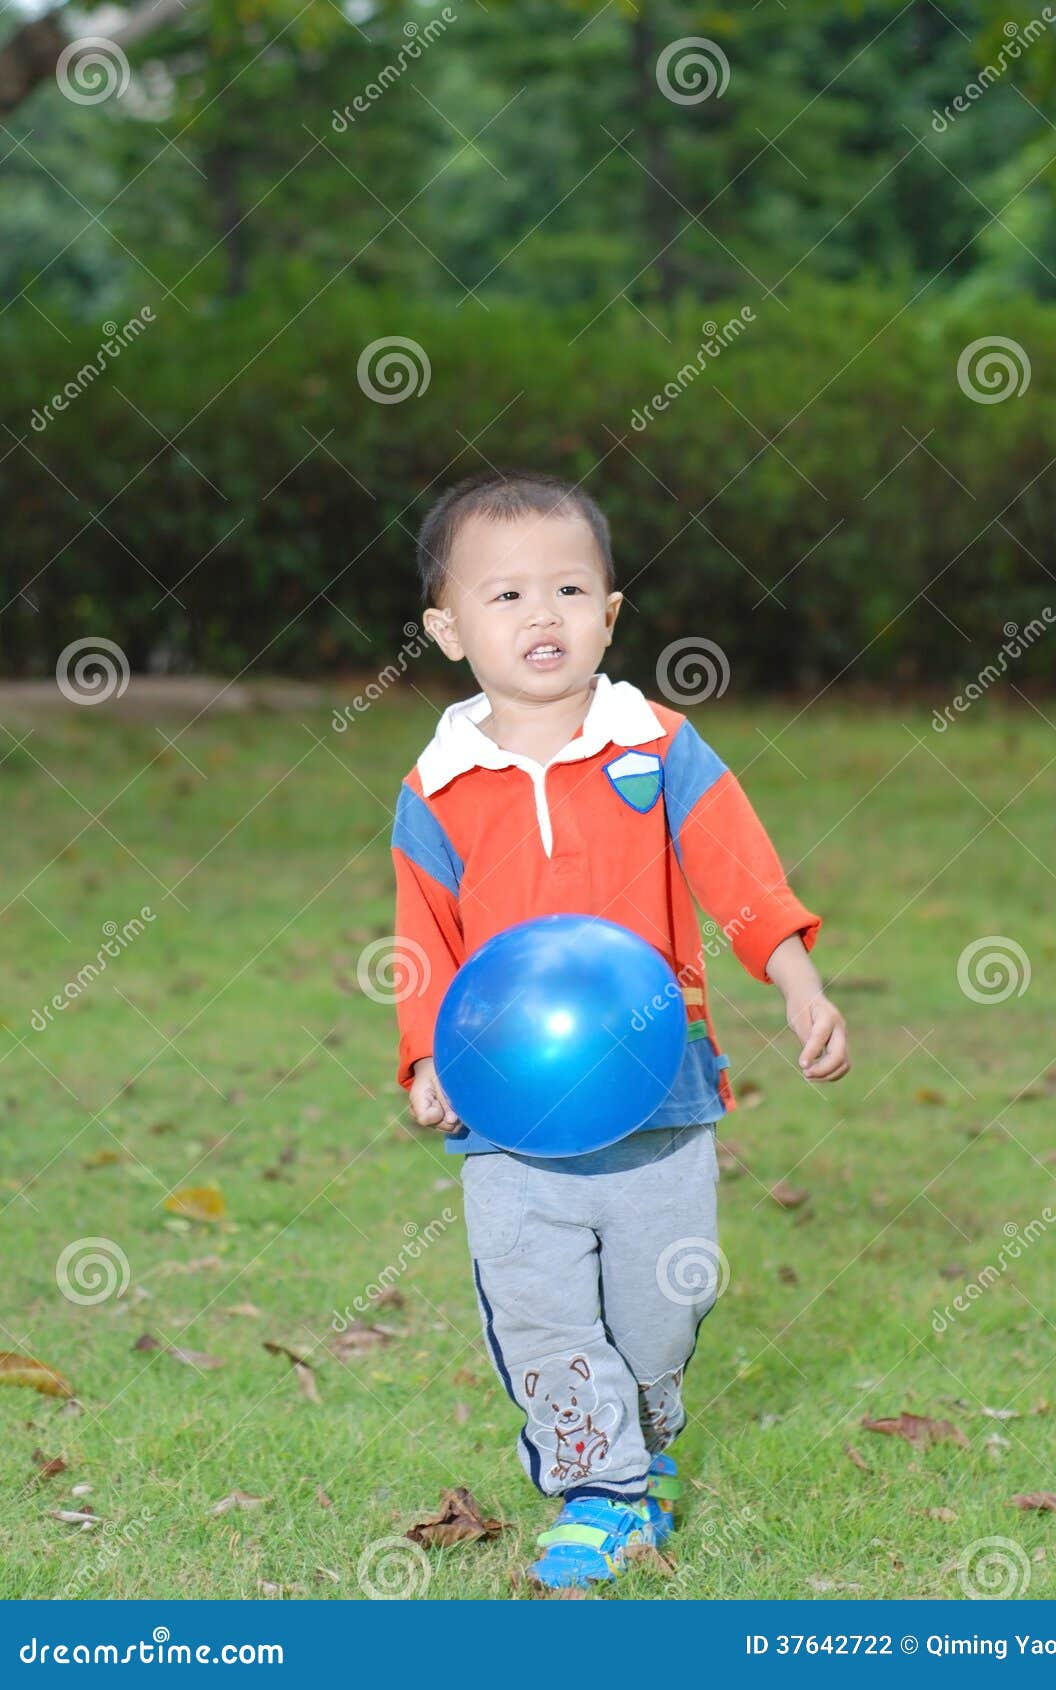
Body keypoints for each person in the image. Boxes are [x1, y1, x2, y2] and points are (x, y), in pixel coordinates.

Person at [390, 469, 850, 1590]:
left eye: (566, 588)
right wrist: (423, 1057)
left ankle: (641, 1433)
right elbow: (425, 939)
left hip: (660, 1095)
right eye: (504, 597)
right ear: (448, 630)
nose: (540, 615)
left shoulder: (656, 743)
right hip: (509, 1116)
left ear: (609, 612)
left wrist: (796, 980)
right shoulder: (437, 787)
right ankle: (598, 1489)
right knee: (542, 1309)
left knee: (659, 1315)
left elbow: (737, 874)